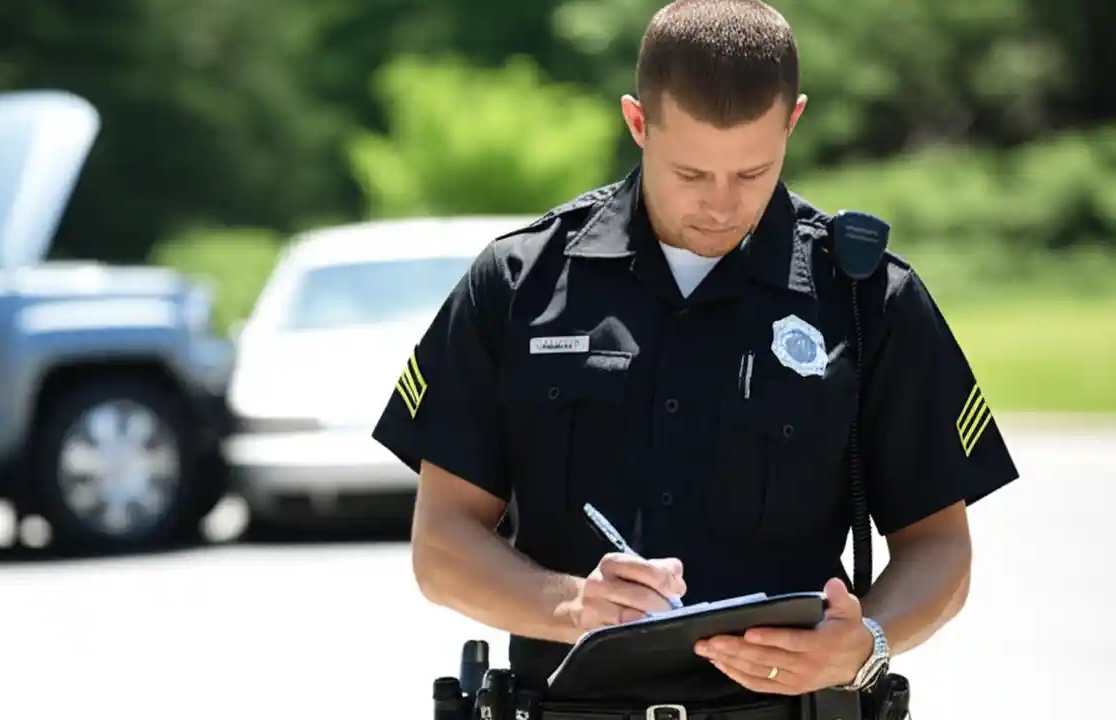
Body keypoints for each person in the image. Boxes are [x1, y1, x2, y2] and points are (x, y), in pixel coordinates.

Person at [371, 0, 1019, 709]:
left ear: (792, 121)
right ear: (638, 123)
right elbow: (441, 546)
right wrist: (571, 607)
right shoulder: (520, 283)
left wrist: (868, 640)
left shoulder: (866, 300)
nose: (720, 204)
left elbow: (940, 549)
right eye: (690, 174)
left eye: (752, 172)